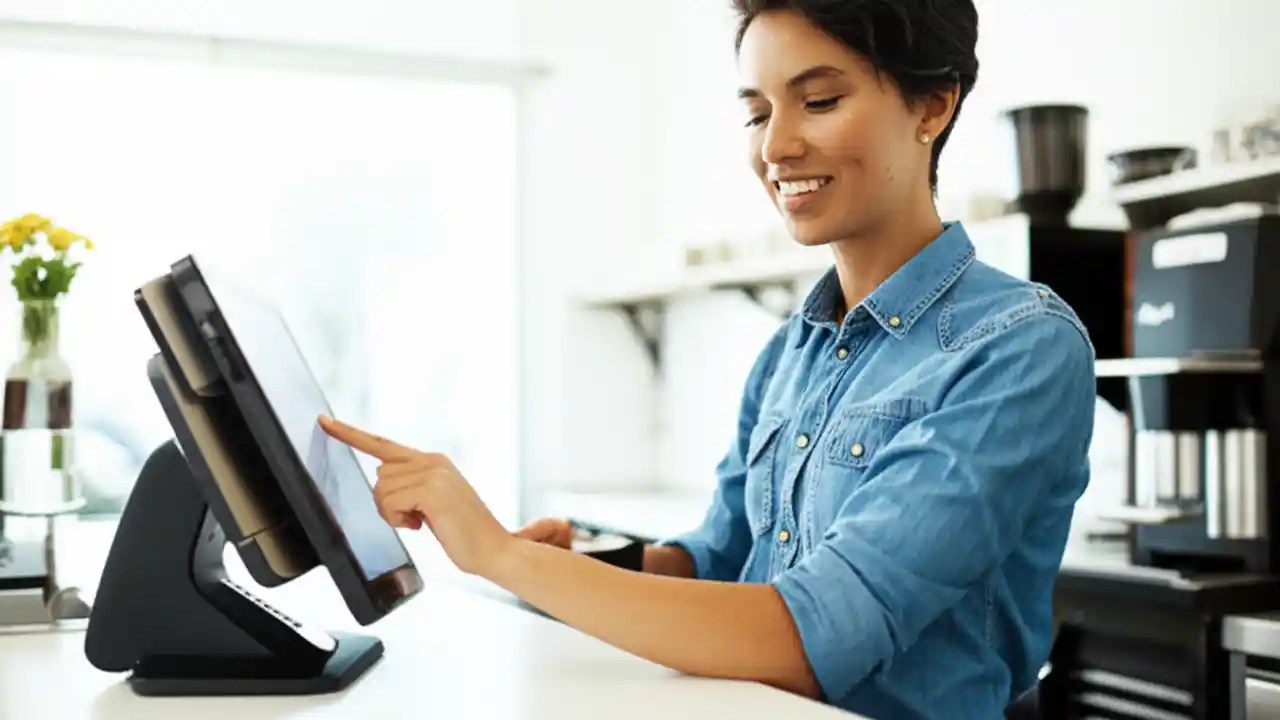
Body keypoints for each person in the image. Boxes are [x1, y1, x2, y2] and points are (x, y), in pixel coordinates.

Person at [317, 1, 1097, 717]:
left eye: (819, 101)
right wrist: (603, 560)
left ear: (934, 104)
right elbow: (720, 556)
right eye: (757, 113)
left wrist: (496, 555)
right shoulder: (792, 348)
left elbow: (810, 638)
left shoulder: (1018, 347)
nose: (776, 146)